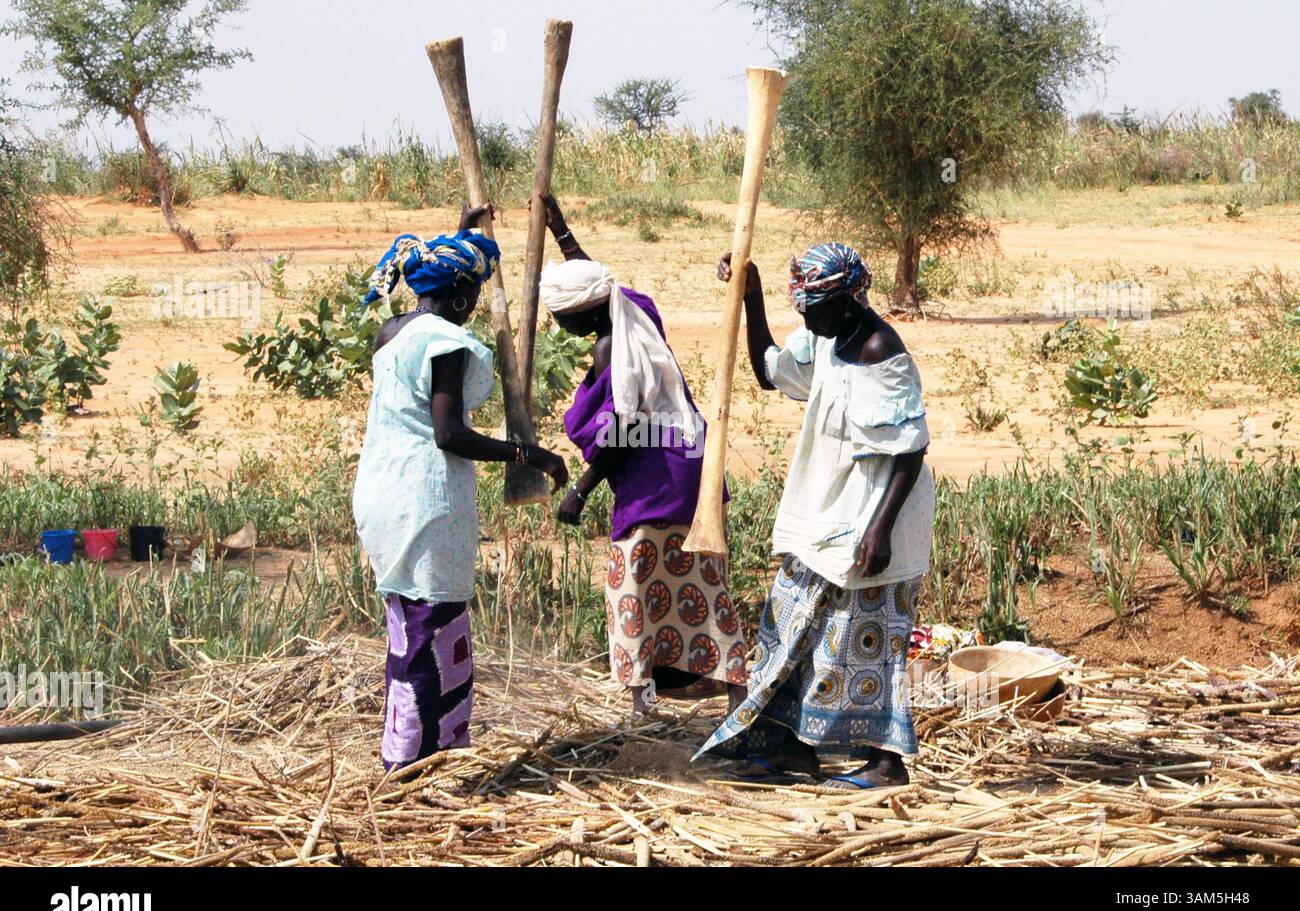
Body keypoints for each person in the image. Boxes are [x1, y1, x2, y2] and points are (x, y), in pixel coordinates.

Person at [696, 242, 934, 789]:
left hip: (879, 512)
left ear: (850, 300)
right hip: (828, 508)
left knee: (862, 635)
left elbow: (910, 448)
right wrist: (751, 297)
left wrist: (879, 530)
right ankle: (788, 747)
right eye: (800, 308)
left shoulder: (879, 352)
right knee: (789, 620)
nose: (805, 318)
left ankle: (885, 762)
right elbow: (769, 371)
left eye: (814, 309)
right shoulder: (829, 337)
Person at [352, 202, 569, 771]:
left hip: (381, 492)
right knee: (434, 628)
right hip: (425, 499)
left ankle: (403, 753)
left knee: (407, 625)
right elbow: (449, 434)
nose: (472, 311)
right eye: (470, 299)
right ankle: (421, 762)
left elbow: (439, 278)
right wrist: (527, 454)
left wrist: (466, 230)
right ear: (459, 299)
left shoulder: (391, 332)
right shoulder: (446, 341)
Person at [534, 194, 748, 716]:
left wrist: (580, 493)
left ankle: (640, 705)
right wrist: (562, 233)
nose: (560, 329)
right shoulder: (635, 309)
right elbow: (596, 281)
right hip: (690, 463)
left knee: (630, 586)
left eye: (562, 319)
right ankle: (738, 694)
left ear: (583, 317)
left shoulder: (612, 349)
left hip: (657, 478)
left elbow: (622, 431)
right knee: (702, 581)